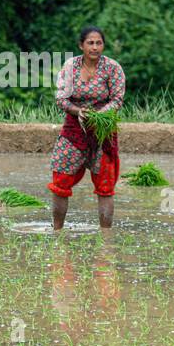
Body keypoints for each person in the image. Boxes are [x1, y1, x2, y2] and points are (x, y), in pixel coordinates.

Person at [49, 27, 125, 231]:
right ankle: (57, 230)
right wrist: (77, 111)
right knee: (60, 180)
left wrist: (99, 115)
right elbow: (61, 98)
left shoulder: (112, 68)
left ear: (103, 45)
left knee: (105, 186)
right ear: (81, 45)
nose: (94, 47)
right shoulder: (70, 67)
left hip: (103, 131)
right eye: (90, 43)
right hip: (74, 130)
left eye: (98, 43)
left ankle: (106, 236)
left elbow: (117, 99)